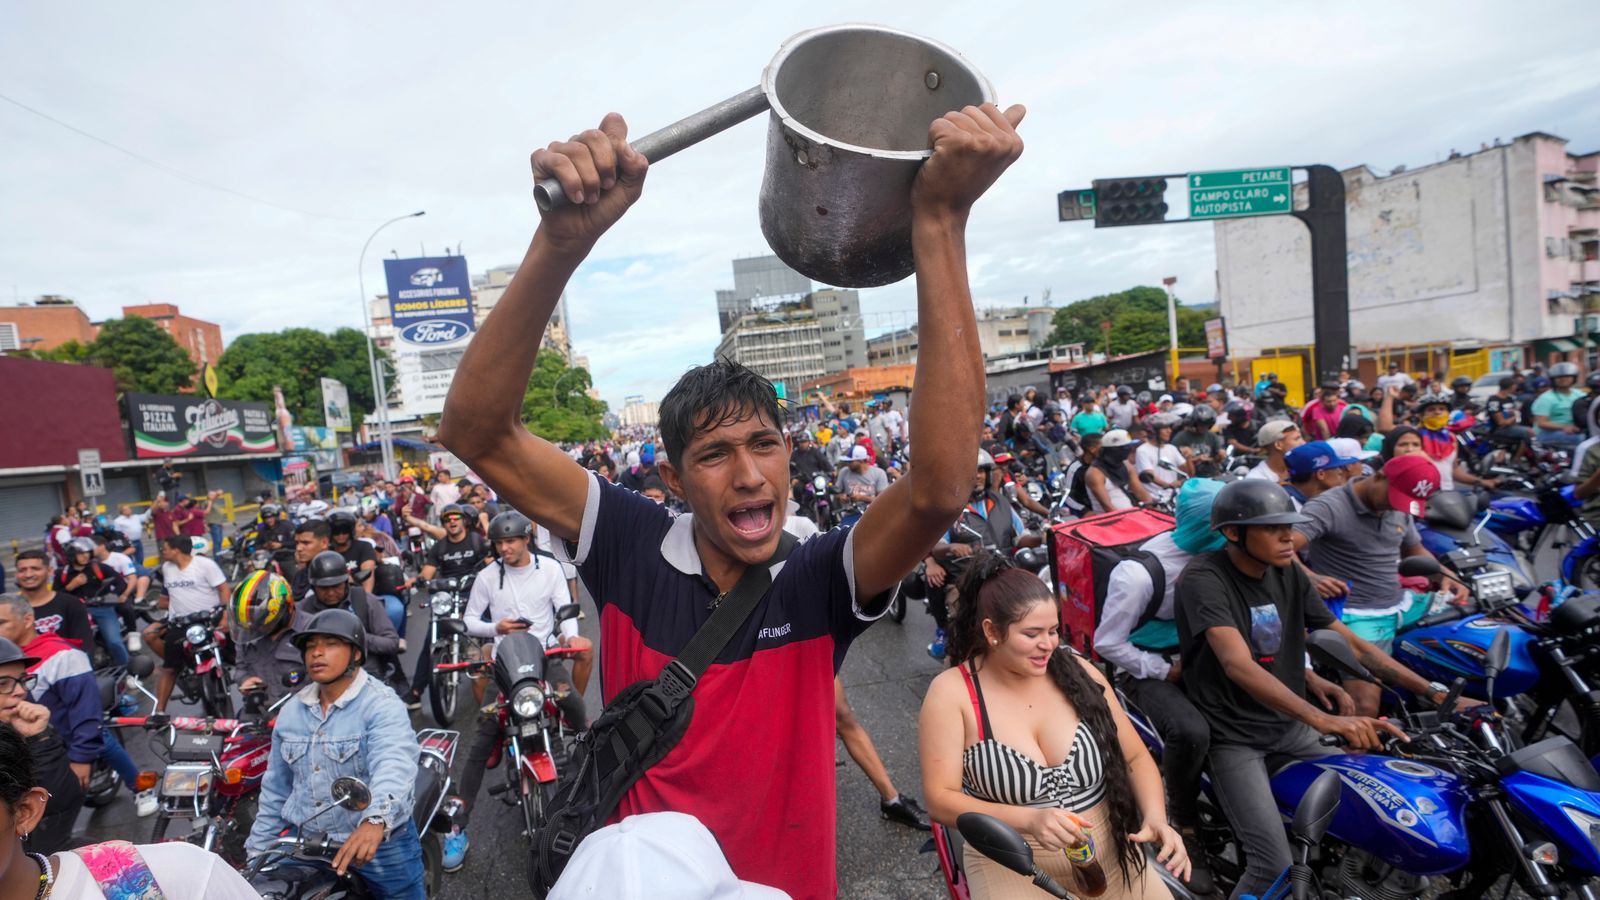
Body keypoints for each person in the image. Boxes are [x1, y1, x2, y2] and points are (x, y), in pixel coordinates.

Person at [438, 101, 1019, 899]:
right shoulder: (629, 543)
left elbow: (939, 490)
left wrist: (942, 222)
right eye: (714, 455)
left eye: (764, 446)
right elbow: (477, 432)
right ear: (672, 480)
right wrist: (560, 244)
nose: (749, 476)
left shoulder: (819, 576)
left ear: (788, 452)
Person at [1177, 479, 1460, 899]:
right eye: (1272, 528)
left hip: (1291, 726)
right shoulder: (1204, 576)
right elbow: (1238, 664)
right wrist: (1324, 719)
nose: (1287, 537)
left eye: (1288, 526)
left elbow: (1350, 640)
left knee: (1384, 811)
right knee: (1272, 866)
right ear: (1235, 533)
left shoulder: (1287, 571)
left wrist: (1434, 692)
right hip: (1236, 737)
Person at [919, 553, 1188, 899]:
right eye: (1032, 634)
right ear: (991, 631)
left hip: (1112, 850)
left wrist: (1155, 818)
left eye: (1053, 630)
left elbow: (1135, 758)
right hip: (1012, 861)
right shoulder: (951, 693)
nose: (1048, 645)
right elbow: (940, 799)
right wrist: (1029, 820)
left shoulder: (1078, 672)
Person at [1094, 479, 1230, 895]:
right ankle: (1182, 821)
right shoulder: (1139, 575)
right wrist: (1160, 669)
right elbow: (1107, 642)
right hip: (1149, 669)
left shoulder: (1226, 557)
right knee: (1190, 731)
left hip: (1206, 659)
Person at [247, 609, 424, 899]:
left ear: (355, 653)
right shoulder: (292, 711)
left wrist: (375, 821)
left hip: (378, 846)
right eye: (310, 646)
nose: (317, 653)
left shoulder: (381, 704)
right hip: (305, 843)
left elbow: (394, 763)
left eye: (330, 644)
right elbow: (276, 788)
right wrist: (257, 853)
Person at [449, 511, 591, 871]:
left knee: (575, 705)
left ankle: (590, 763)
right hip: (504, 665)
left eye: (510, 540)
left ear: (527, 539)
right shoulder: (486, 577)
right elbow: (468, 620)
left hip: (542, 656)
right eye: (498, 543)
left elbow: (565, 611)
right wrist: (495, 627)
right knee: (480, 740)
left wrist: (566, 635)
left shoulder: (551, 569)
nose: (505, 548)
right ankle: (456, 825)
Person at [1291, 454, 1468, 717]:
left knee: (1474, 628)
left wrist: (1446, 576)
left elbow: (1415, 549)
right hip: (1356, 614)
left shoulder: (1398, 510)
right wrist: (1310, 577)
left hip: (1402, 604)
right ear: (1379, 475)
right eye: (1393, 497)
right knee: (1364, 707)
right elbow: (1284, 548)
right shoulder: (1328, 506)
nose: (1393, 507)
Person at [143, 536, 229, 714]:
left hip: (209, 620)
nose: (162, 551)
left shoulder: (206, 565)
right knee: (170, 667)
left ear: (176, 550)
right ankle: (158, 712)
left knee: (238, 653)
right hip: (180, 623)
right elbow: (165, 599)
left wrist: (225, 616)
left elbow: (223, 589)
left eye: (164, 548)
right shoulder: (167, 568)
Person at [297, 552, 402, 686]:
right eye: (323, 588)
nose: (330, 593)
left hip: (366, 678)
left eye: (336, 586)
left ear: (346, 582)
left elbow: (391, 643)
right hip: (321, 683)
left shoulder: (365, 601)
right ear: (313, 587)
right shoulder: (303, 610)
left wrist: (355, 637)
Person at [51, 538, 129, 666]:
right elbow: (54, 596)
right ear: (72, 555)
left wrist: (109, 596)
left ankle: (128, 671)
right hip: (76, 612)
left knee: (114, 641)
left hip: (101, 609)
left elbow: (121, 583)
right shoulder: (62, 573)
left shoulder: (99, 567)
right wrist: (70, 586)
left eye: (87, 552)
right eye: (81, 553)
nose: (85, 556)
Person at [230, 571, 302, 702]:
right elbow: (240, 668)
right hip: (260, 708)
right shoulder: (248, 629)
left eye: (263, 623)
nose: (257, 629)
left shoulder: (311, 631)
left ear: (283, 611)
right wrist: (245, 680)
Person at [1413, 391, 1498, 491]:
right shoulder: (1414, 437)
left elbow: (1454, 471)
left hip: (1447, 495)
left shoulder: (1451, 438)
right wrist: (1391, 398)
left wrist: (1481, 481)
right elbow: (1389, 427)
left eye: (1442, 409)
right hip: (1423, 494)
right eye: (1431, 409)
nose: (1437, 412)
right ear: (1422, 415)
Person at [10, 551, 92, 650]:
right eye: (22, 570)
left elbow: (85, 646)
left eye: (35, 569)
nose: (28, 574)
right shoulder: (8, 609)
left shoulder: (71, 604)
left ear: (50, 571)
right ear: (16, 574)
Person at [1088, 429, 1154, 513]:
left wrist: (1155, 509)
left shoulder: (1127, 465)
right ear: (1115, 450)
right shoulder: (1095, 473)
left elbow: (1141, 493)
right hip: (1110, 521)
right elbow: (1107, 506)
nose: (1131, 450)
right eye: (1127, 447)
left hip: (1132, 516)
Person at [1281, 441, 1358, 509]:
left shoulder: (1308, 498)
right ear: (1321, 474)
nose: (1340, 471)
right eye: (1336, 467)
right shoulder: (1287, 505)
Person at [1135, 415, 1186, 503]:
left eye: (1169, 428)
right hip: (1156, 498)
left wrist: (1188, 457)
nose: (1169, 431)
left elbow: (1186, 471)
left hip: (1174, 496)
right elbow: (1149, 475)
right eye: (1164, 428)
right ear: (1153, 431)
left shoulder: (1171, 448)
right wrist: (1169, 485)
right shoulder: (1142, 450)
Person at [1532, 361, 1584, 448]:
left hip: (1575, 430)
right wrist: (1564, 427)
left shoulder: (1580, 394)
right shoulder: (1546, 398)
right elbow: (1542, 423)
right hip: (1549, 433)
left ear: (1574, 378)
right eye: (1559, 377)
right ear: (1553, 379)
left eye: (1567, 376)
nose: (1563, 379)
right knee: (1583, 439)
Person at [1245, 419, 1302, 484]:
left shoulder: (1303, 470)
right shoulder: (1256, 480)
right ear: (1278, 445)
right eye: (1296, 439)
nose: (1303, 443)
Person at [288, 519, 333, 601]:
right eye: (297, 543)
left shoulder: (336, 573)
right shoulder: (299, 576)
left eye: (306, 543)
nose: (299, 548)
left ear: (324, 543)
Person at [1171, 406, 1223, 478]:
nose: (1204, 427)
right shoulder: (1182, 437)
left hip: (1210, 473)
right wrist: (1196, 459)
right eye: (1201, 425)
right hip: (1189, 474)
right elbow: (1174, 460)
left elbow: (1217, 459)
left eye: (1206, 425)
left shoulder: (1212, 436)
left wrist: (1220, 456)